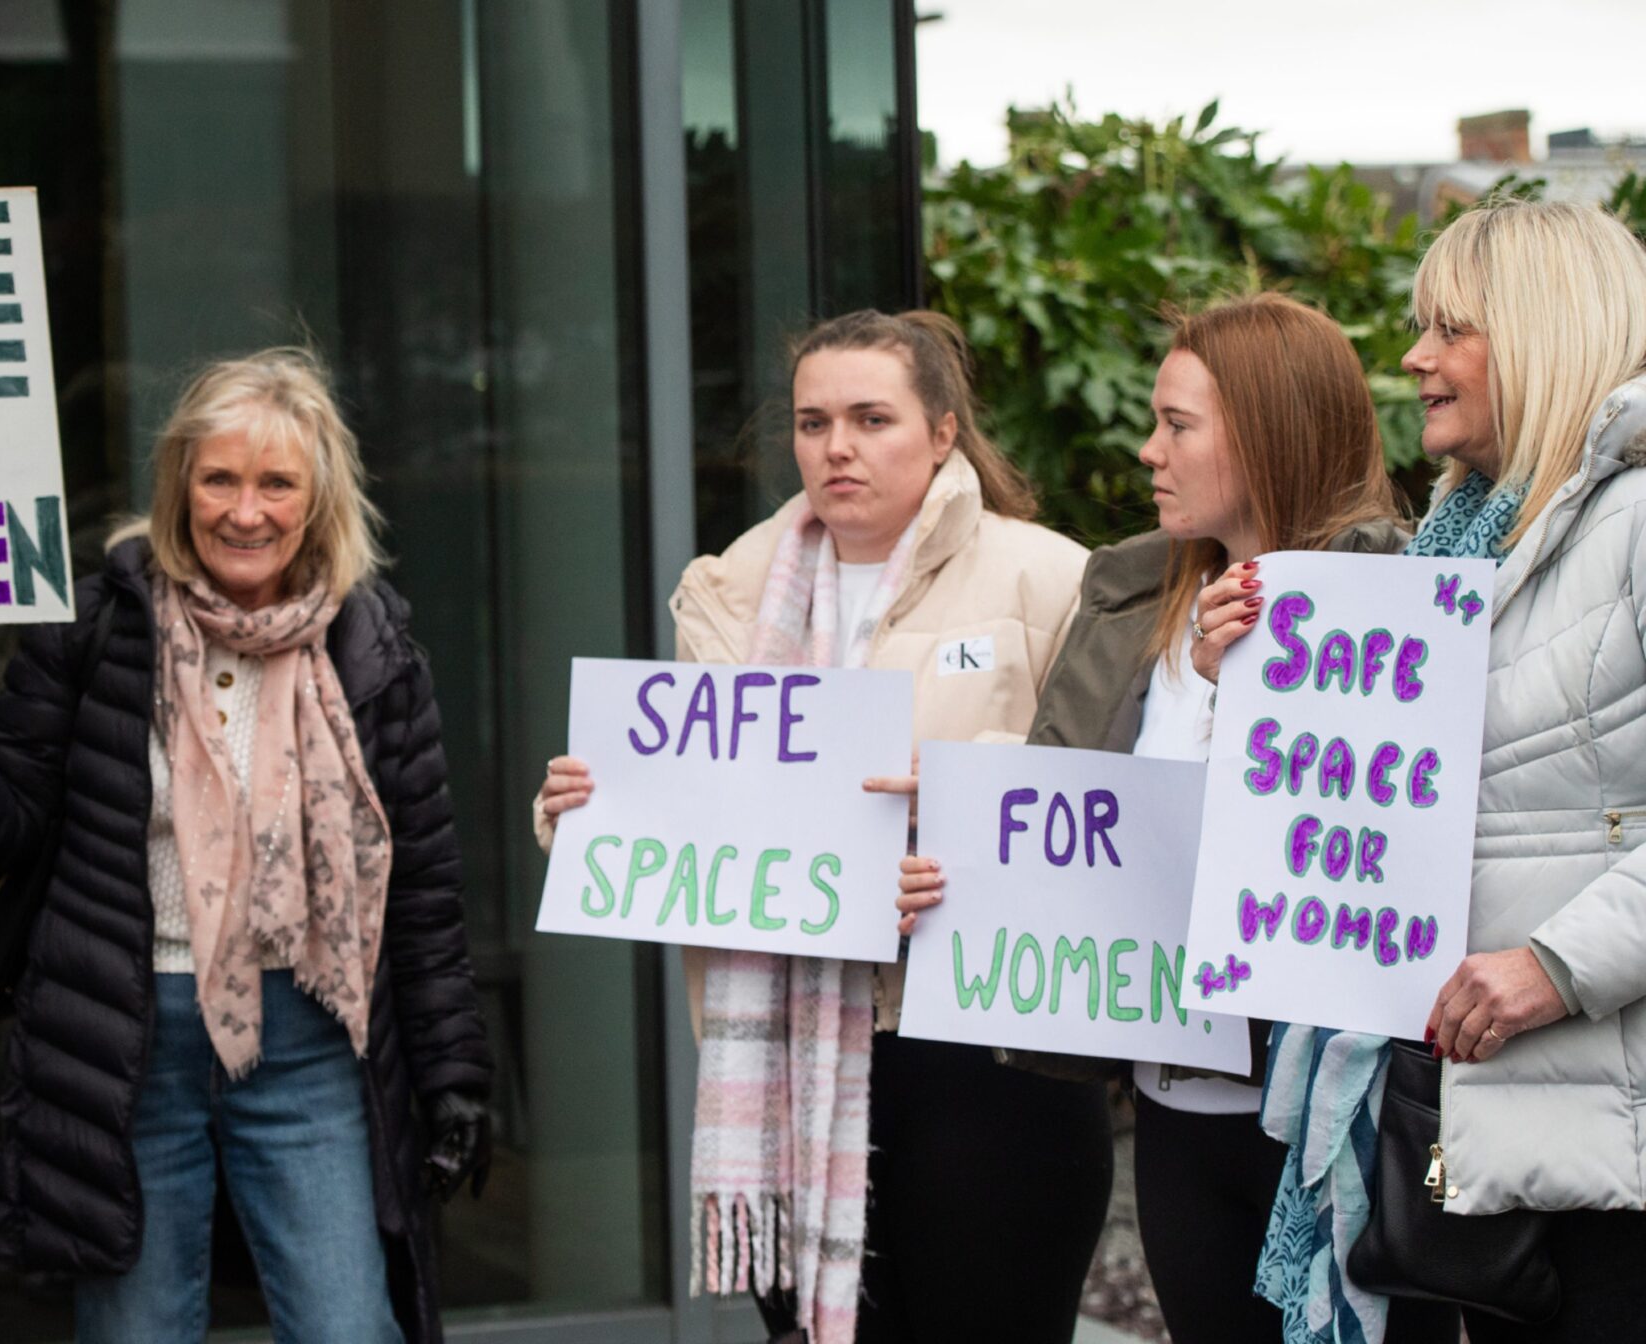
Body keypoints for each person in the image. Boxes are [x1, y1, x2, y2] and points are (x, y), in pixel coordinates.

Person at [0, 348, 493, 1344]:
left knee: (346, 1326)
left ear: (317, 495)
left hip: (308, 1036)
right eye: (219, 479)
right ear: (179, 486)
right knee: (136, 1328)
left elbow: (419, 886)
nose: (246, 511)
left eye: (276, 482)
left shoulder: (373, 647)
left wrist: (455, 1069)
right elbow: (10, 827)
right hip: (125, 1034)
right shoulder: (97, 628)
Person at [900, 293, 1457, 1343]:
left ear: (1265, 430)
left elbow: (1354, 849)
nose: (1148, 449)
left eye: (1177, 424)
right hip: (1172, 1102)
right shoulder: (1128, 600)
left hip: (1336, 1111)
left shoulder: (1398, 599)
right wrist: (958, 861)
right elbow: (1089, 825)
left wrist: (1237, 694)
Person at [538, 309, 1104, 1344]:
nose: (834, 446)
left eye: (869, 417)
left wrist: (962, 816)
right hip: (789, 1070)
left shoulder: (1049, 577)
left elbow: (1109, 807)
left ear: (941, 431)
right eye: (811, 421)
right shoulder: (729, 590)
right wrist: (588, 810)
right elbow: (703, 808)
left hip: (984, 1057)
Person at [1247, 198, 1646, 1344]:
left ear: (1540, 330)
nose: (1413, 358)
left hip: (1612, 1158)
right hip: (1511, 1138)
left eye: (1448, 328)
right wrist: (1264, 683)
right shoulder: (1466, 533)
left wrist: (1555, 964)